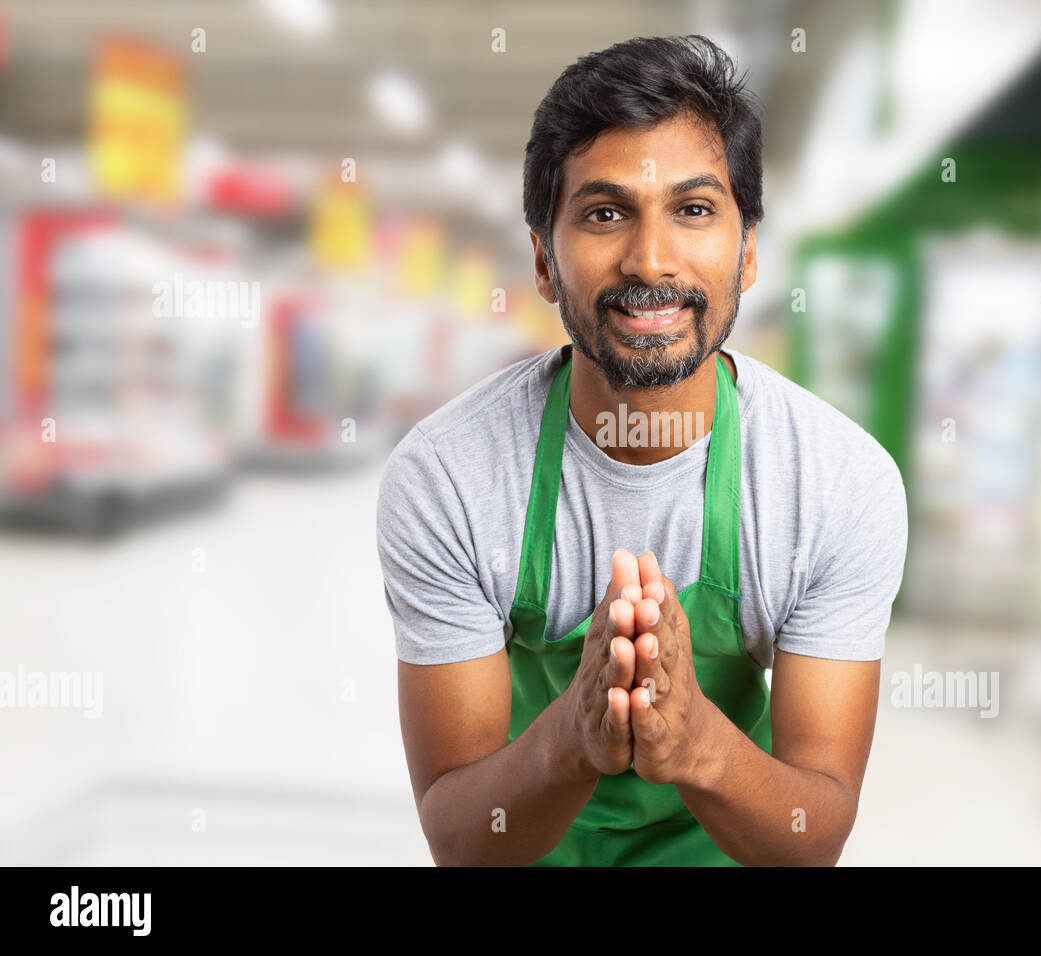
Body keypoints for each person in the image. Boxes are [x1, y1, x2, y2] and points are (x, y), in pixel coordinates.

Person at [377, 34, 907, 866]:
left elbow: (813, 836)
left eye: (694, 209)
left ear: (750, 249)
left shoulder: (839, 484)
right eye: (603, 211)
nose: (650, 259)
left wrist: (697, 744)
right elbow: (459, 839)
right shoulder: (448, 477)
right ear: (545, 262)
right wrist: (572, 738)